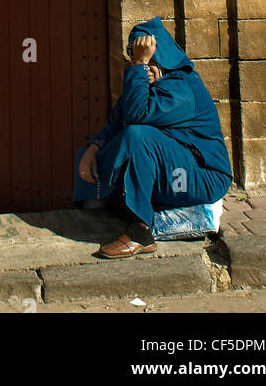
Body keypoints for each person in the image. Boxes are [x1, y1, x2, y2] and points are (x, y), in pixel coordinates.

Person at [73, 16, 232, 259]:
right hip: (173, 169)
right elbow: (119, 120)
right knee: (89, 153)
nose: (144, 66)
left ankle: (140, 233)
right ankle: (101, 206)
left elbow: (137, 116)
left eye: (148, 60)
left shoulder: (181, 88)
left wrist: (139, 65)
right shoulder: (146, 85)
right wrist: (95, 148)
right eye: (138, 59)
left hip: (203, 176)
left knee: (138, 136)